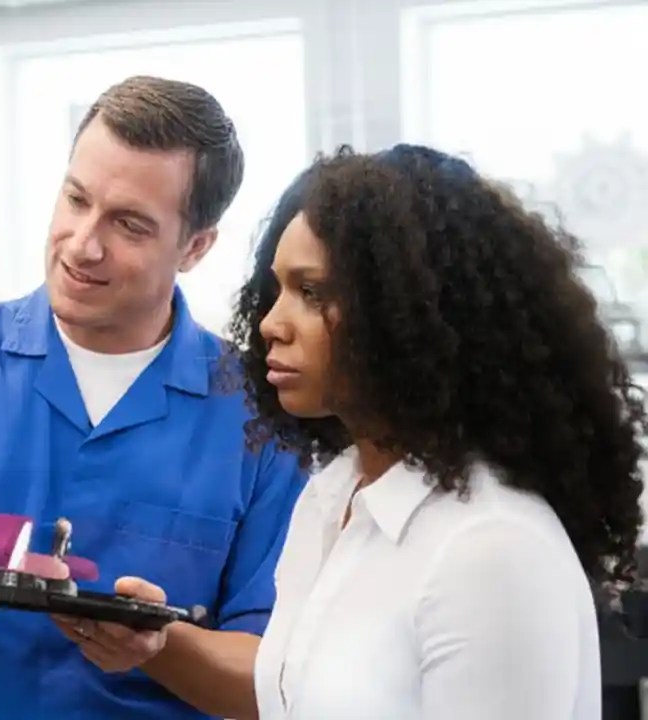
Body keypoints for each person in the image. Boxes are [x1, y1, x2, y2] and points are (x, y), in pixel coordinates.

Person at [0, 75, 306, 719]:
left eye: (129, 225)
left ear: (195, 246)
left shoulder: (259, 416)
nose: (82, 244)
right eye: (76, 200)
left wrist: (157, 646)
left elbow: (268, 680)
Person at [229, 144, 647, 719]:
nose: (271, 323)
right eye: (277, 290)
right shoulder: (330, 501)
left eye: (312, 292)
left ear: (405, 311)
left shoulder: (489, 548)